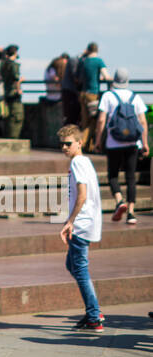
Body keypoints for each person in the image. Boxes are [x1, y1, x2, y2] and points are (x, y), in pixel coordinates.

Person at [58, 124, 104, 330]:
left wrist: (70, 222)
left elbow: (82, 195)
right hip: (87, 221)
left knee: (80, 269)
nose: (65, 148)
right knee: (73, 266)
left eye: (68, 144)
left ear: (79, 143)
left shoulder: (77, 162)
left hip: (82, 223)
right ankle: (94, 311)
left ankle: (94, 315)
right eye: (62, 145)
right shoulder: (85, 161)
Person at [95, 68, 149, 226]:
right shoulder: (135, 97)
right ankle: (131, 213)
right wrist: (144, 143)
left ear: (114, 81)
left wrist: (98, 140)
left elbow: (101, 120)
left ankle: (119, 201)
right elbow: (143, 122)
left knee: (113, 175)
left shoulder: (108, 96)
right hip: (133, 143)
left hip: (114, 142)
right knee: (131, 177)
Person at [77, 43, 111, 152]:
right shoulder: (98, 61)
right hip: (93, 94)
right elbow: (106, 76)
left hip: (83, 94)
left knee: (85, 121)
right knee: (93, 121)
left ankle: (88, 146)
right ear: (97, 49)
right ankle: (82, 144)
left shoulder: (84, 61)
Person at [0, 44, 24, 139]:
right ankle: (14, 138)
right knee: (17, 117)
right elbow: (16, 79)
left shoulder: (3, 64)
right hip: (14, 94)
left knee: (9, 118)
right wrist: (19, 89)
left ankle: (9, 136)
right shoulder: (13, 65)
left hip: (7, 93)